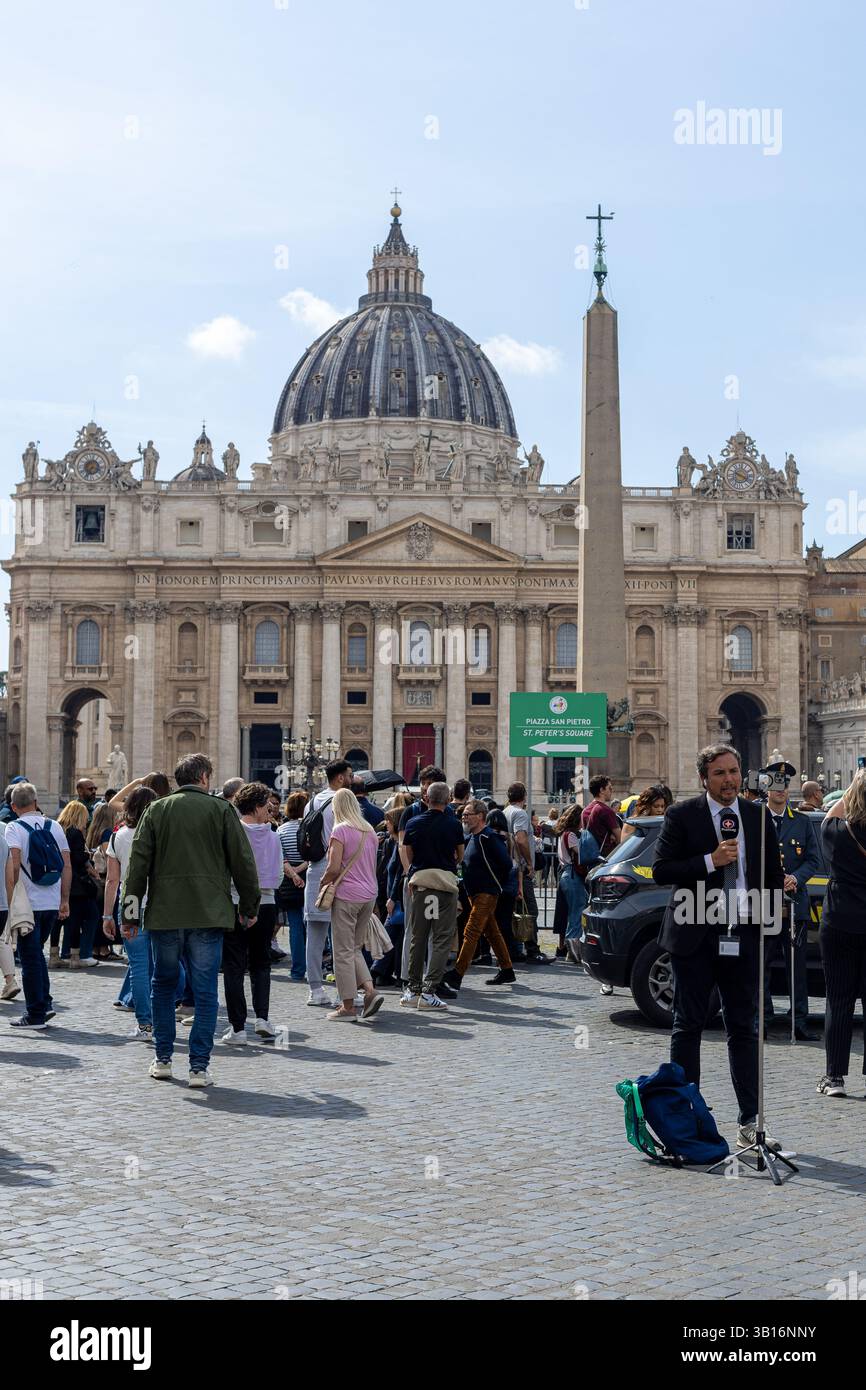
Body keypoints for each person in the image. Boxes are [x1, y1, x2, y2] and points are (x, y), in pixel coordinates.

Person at [652, 744, 789, 1154]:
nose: (729, 780)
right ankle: (690, 1117)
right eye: (720, 774)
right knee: (688, 1024)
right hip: (695, 932)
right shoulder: (682, 815)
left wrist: (771, 923)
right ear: (704, 779)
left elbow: (771, 875)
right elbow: (661, 870)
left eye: (734, 772)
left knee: (744, 1027)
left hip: (743, 933)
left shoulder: (758, 815)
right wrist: (710, 861)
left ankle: (750, 1121)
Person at [123, 753, 260, 1087]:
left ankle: (163, 1059)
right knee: (204, 989)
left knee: (163, 985)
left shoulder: (156, 810)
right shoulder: (222, 810)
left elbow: (137, 868)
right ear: (203, 777)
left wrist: (128, 913)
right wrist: (250, 906)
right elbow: (243, 862)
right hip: (208, 913)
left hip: (165, 914)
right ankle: (199, 1067)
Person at [762, 758, 821, 1041]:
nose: (781, 789)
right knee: (762, 964)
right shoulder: (756, 820)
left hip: (794, 903)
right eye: (775, 783)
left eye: (785, 784)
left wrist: (796, 878)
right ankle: (763, 1017)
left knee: (796, 967)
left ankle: (799, 1021)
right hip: (764, 904)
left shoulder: (802, 822)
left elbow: (813, 859)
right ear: (766, 787)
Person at [5, 782, 71, 1029]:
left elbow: (13, 866)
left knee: (30, 957)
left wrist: (9, 901)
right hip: (51, 902)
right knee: (36, 955)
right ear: (35, 802)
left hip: (27, 904)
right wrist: (64, 899)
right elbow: (67, 865)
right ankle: (46, 1002)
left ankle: (35, 1014)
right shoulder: (54, 826)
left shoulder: (13, 828)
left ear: (13, 806)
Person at [816, 769, 866, 1097]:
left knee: (839, 999)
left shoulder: (839, 831)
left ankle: (834, 1078)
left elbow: (827, 817)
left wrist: (857, 784)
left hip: (840, 922)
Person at [222, 782, 284, 1044]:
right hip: (267, 903)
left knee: (234, 966)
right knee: (261, 963)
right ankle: (263, 1019)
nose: (270, 809)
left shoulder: (232, 833)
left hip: (235, 902)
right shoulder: (274, 836)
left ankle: (237, 1028)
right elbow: (280, 875)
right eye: (267, 805)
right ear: (257, 807)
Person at [318, 788, 384, 1022]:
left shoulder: (340, 830)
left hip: (347, 895)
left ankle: (347, 1007)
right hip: (369, 894)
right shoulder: (370, 831)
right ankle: (370, 991)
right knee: (354, 949)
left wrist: (323, 882)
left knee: (343, 952)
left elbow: (334, 868)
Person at [400, 781, 464, 1010]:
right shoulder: (454, 824)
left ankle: (412, 989)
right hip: (444, 885)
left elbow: (408, 853)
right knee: (441, 939)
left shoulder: (413, 822)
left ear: (426, 798)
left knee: (418, 936)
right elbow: (460, 854)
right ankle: (429, 992)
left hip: (421, 885)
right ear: (447, 800)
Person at [443, 800, 515, 990]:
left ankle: (457, 974)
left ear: (481, 816)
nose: (464, 818)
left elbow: (507, 864)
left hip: (487, 892)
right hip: (474, 893)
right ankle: (507, 970)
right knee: (492, 932)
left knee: (471, 930)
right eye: (463, 815)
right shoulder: (472, 838)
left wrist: (495, 883)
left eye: (468, 814)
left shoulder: (488, 837)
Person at [104, 786, 157, 1039]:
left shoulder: (118, 836)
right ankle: (165, 1016)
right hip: (160, 904)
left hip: (130, 903)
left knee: (138, 967)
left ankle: (145, 1025)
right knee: (166, 965)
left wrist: (106, 915)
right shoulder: (161, 834)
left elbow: (112, 881)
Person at [303, 759, 354, 1007]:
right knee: (342, 937)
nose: (353, 779)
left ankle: (315, 989)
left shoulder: (311, 802)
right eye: (350, 775)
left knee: (315, 934)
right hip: (339, 871)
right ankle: (342, 991)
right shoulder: (342, 804)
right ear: (341, 778)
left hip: (315, 870)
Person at [503, 783, 548, 964]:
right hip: (520, 869)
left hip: (509, 868)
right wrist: (529, 863)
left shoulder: (505, 811)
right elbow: (520, 838)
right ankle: (532, 950)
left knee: (516, 910)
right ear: (524, 797)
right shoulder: (520, 813)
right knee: (531, 910)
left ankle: (515, 949)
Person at [53, 800, 100, 967]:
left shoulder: (58, 829)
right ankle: (75, 957)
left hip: (57, 879)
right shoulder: (76, 833)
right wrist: (88, 855)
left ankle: (54, 955)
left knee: (59, 920)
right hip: (75, 882)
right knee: (80, 918)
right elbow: (77, 858)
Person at [277, 791, 308, 983]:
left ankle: (297, 970)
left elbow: (280, 857)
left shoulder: (281, 830)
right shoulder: (310, 827)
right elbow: (314, 854)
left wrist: (293, 873)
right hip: (307, 876)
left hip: (289, 880)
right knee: (313, 926)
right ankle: (314, 967)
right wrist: (301, 869)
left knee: (295, 926)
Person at [372, 807, 404, 987]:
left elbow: (399, 872)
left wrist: (392, 897)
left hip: (394, 897)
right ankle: (381, 971)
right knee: (391, 934)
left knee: (391, 934)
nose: (386, 824)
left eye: (389, 821)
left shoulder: (400, 843)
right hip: (387, 895)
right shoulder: (390, 842)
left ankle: (379, 970)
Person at [86, 803, 119, 959]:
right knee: (106, 912)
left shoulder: (93, 832)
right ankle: (104, 948)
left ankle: (97, 948)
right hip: (104, 877)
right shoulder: (107, 833)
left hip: (95, 878)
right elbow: (108, 854)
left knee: (97, 913)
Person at [0, 831, 21, 1001]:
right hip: (1, 906)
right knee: (1, 940)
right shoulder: (3, 841)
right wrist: (7, 904)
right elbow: (9, 879)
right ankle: (10, 980)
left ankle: (10, 981)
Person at [581, 776, 622, 855]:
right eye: (609, 788)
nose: (612, 791)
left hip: (589, 857)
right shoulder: (605, 810)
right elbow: (620, 837)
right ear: (601, 790)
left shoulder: (584, 811)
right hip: (605, 858)